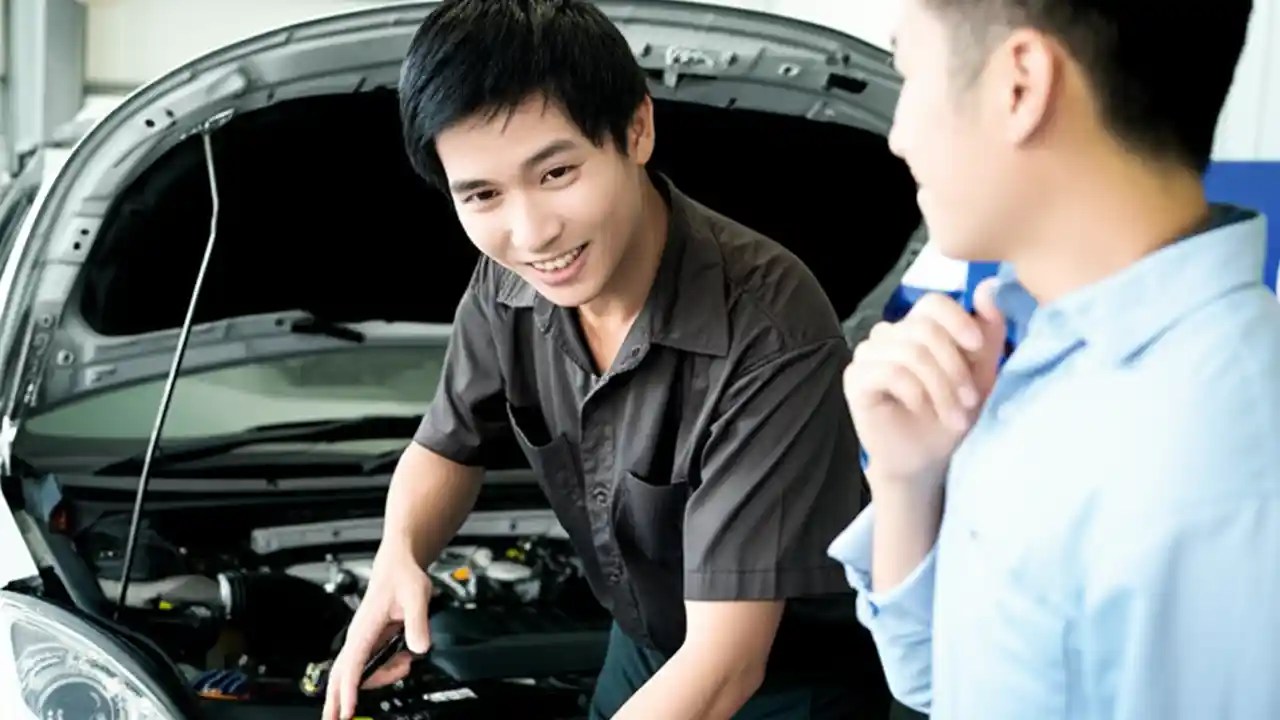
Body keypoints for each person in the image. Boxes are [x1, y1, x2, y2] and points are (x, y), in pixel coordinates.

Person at [320, 1, 888, 719]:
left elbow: (726, 664)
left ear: (637, 130)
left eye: (556, 172)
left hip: (782, 680)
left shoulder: (770, 327)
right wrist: (398, 556)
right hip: (645, 647)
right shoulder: (509, 284)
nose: (531, 233)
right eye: (484, 195)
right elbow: (448, 443)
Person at [828, 0, 1280, 718]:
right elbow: (950, 686)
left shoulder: (1218, 468)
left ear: (1020, 85)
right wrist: (909, 482)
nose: (896, 135)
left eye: (908, 73)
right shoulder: (1056, 350)